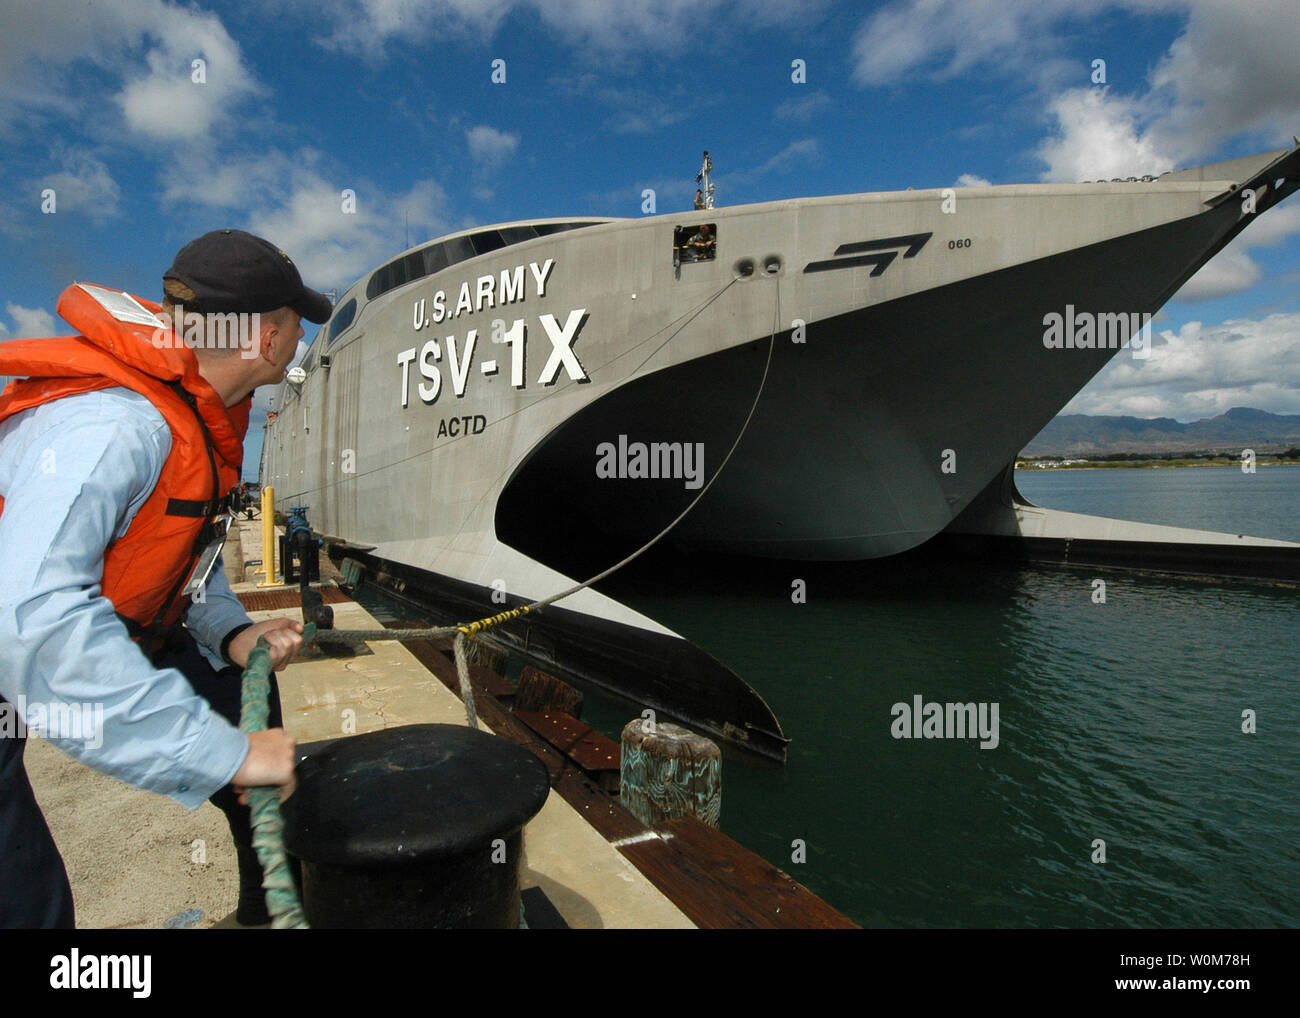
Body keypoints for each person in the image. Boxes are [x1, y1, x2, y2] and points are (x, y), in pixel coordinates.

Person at [0, 229, 332, 928]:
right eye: (296, 320)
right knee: (27, 898)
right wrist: (223, 752)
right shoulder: (113, 427)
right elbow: (35, 622)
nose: (300, 335)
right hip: (20, 637)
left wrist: (233, 632)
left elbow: (178, 556)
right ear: (269, 338)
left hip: (92, 631)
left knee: (242, 693)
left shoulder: (193, 420)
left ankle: (264, 909)